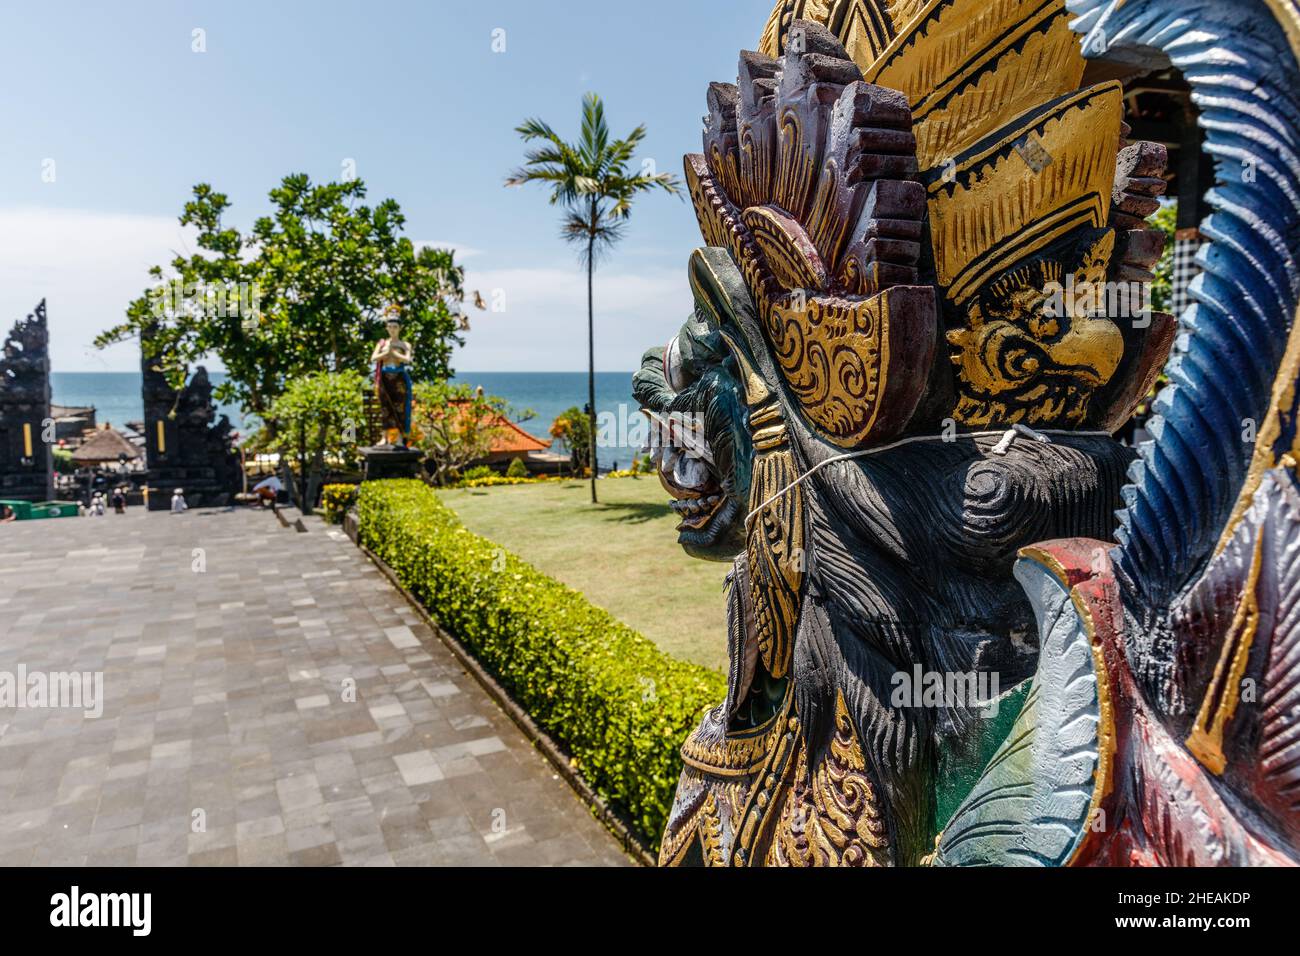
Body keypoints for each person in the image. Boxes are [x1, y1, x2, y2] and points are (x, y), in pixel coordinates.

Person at [370, 305, 415, 446]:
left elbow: (408, 359)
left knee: (400, 408)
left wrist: (394, 353)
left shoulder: (405, 344)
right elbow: (374, 357)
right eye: (390, 327)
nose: (392, 329)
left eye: (395, 326)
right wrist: (386, 352)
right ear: (387, 328)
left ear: (400, 328)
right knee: (385, 408)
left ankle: (401, 438)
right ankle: (385, 437)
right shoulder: (382, 343)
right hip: (385, 378)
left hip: (399, 377)